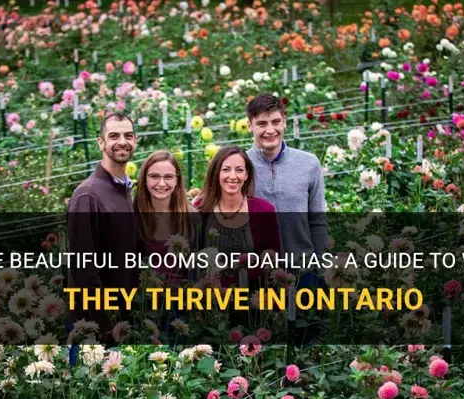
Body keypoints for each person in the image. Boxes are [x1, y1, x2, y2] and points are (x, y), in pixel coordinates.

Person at [65, 112, 138, 343]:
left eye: (128, 135)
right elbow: (83, 268)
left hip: (121, 318)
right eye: (114, 135)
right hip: (96, 327)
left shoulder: (123, 189)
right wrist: (106, 324)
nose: (122, 141)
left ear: (135, 140)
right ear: (101, 142)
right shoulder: (88, 195)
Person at [245, 94, 328, 260]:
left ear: (284, 121)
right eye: (261, 124)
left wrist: (320, 267)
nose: (270, 130)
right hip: (257, 272)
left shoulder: (309, 163)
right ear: (249, 126)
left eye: (276, 122)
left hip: (303, 269)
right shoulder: (240, 167)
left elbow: (318, 221)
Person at [193, 145, 280, 289]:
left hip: (253, 299)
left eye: (239, 170)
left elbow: (273, 260)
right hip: (209, 300)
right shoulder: (201, 208)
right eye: (226, 169)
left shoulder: (264, 210)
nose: (232, 176)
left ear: (246, 175)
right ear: (217, 173)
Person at [134, 149, 200, 287]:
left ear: (177, 180)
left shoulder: (191, 217)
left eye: (168, 177)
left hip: (184, 300)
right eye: (154, 176)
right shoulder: (134, 217)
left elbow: (198, 266)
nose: (162, 183)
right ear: (144, 180)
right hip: (144, 301)